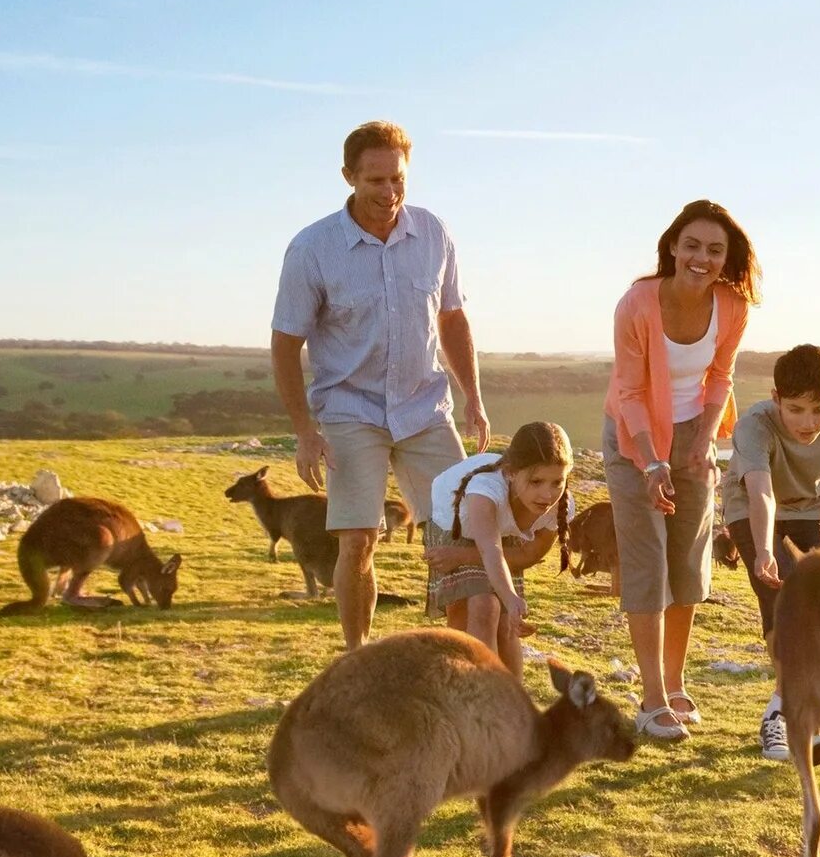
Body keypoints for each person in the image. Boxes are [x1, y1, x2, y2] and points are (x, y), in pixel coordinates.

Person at [270, 121, 485, 649]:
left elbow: (452, 320)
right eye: (375, 181)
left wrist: (474, 399)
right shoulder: (312, 249)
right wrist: (305, 431)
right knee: (359, 539)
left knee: (463, 528)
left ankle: (461, 652)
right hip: (349, 410)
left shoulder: (434, 233)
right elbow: (284, 343)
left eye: (398, 179)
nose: (389, 192)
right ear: (348, 176)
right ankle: (358, 656)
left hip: (424, 407)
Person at [602, 200, 756, 742]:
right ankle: (650, 699)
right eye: (692, 246)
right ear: (672, 247)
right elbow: (630, 390)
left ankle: (675, 678)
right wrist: (652, 461)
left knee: (688, 560)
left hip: (695, 433)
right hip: (633, 437)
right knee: (648, 559)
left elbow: (721, 376)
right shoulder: (638, 303)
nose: (702, 258)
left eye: (715, 250)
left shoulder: (732, 305)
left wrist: (708, 439)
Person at [724, 342, 820, 759]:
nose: (808, 423)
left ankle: (787, 710)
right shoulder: (753, 426)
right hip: (749, 509)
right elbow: (761, 494)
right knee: (784, 602)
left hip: (808, 510)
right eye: (796, 409)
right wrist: (764, 550)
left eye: (819, 409)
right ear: (776, 400)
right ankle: (782, 717)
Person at [423, 422, 571, 671]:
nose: (547, 494)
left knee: (506, 623)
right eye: (536, 482)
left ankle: (513, 704)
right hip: (457, 524)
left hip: (502, 529)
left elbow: (531, 553)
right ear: (512, 472)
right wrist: (511, 597)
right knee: (483, 606)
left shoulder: (560, 506)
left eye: (556, 482)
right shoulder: (485, 489)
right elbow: (491, 550)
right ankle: (479, 697)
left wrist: (460, 557)